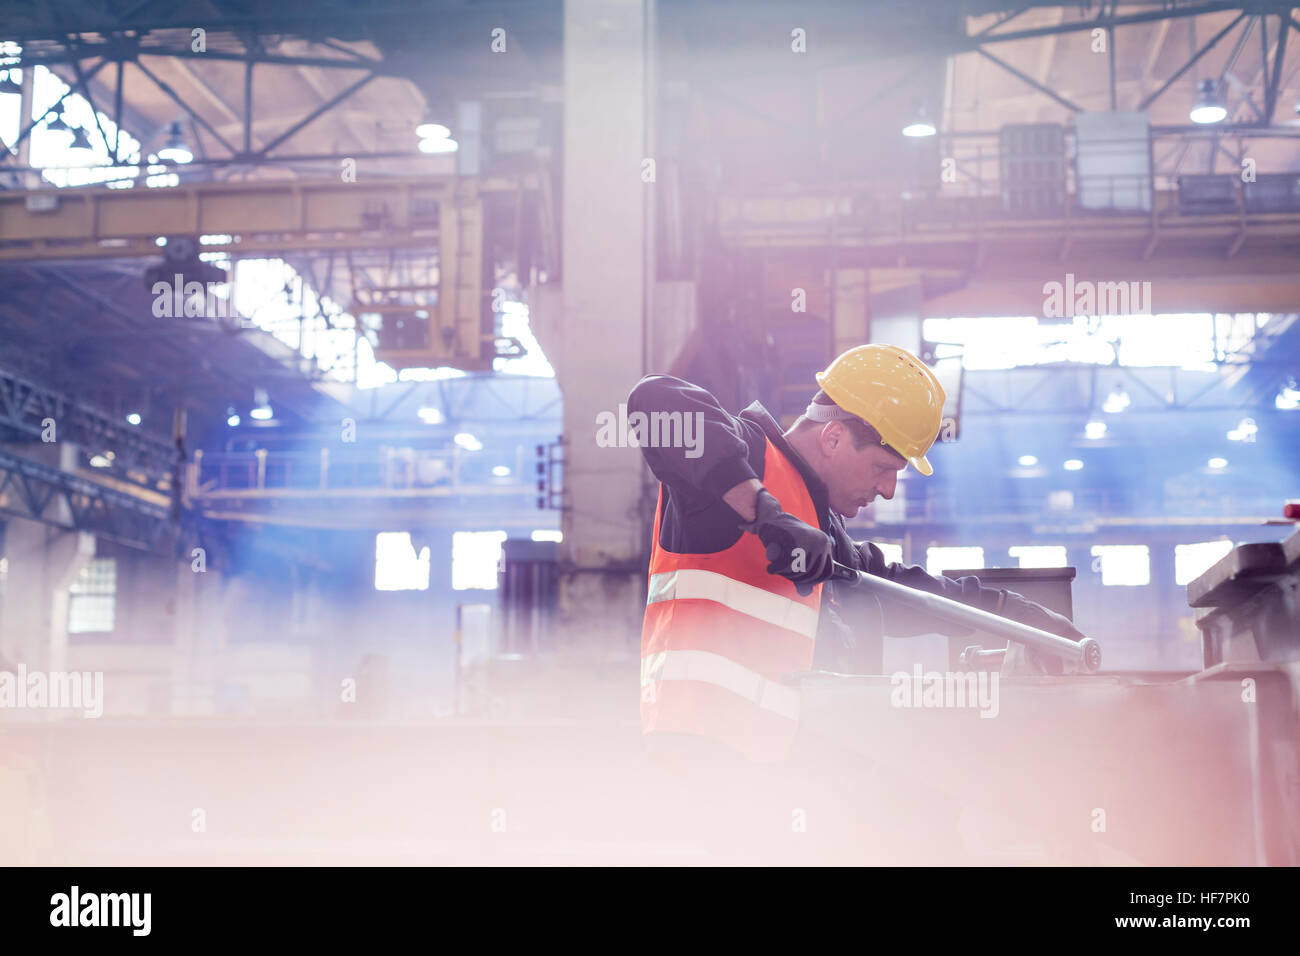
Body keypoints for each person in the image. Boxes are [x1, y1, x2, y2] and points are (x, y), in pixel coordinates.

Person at [629, 343, 1090, 862]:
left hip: (775, 785)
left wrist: (1017, 616)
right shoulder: (748, 458)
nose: (889, 490)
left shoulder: (824, 532)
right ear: (833, 436)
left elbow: (898, 589)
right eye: (882, 467)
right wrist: (763, 514)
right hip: (704, 778)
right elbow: (656, 403)